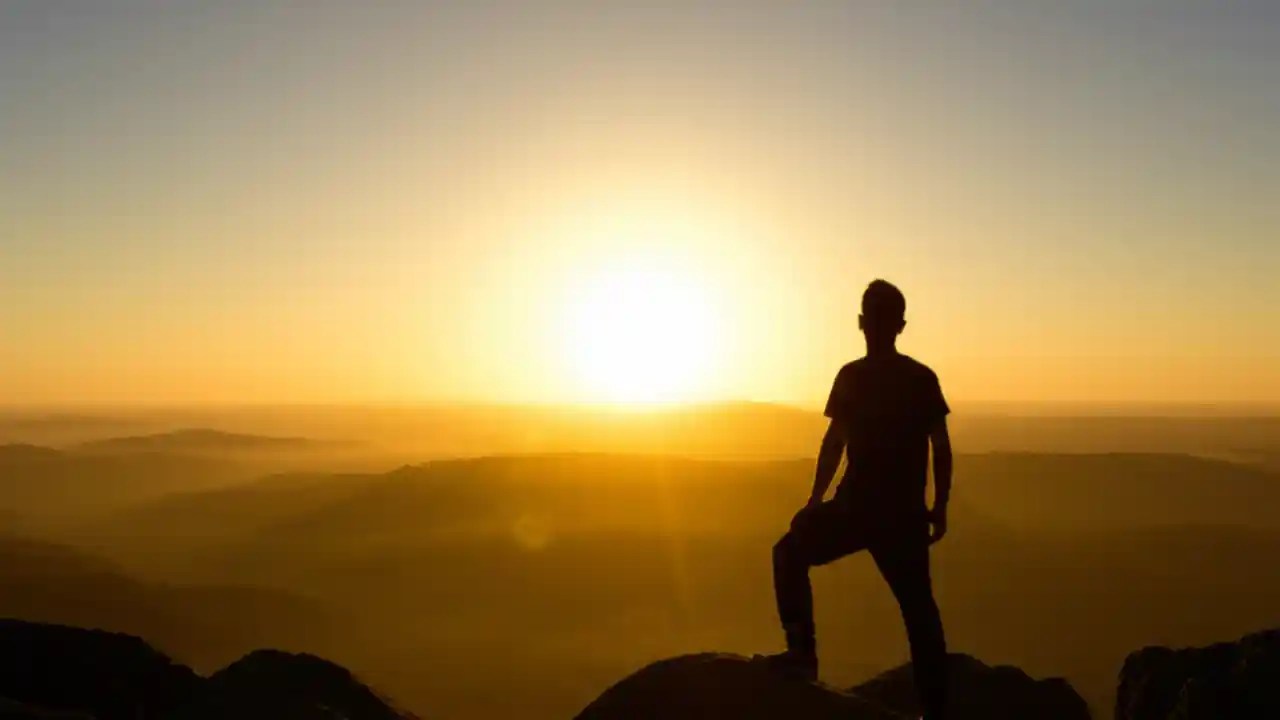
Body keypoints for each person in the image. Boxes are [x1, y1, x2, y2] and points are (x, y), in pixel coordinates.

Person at [761, 279, 952, 720]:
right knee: (919, 611)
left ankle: (802, 655)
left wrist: (815, 500)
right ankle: (936, 710)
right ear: (900, 325)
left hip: (855, 509)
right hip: (902, 515)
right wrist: (939, 505)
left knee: (789, 554)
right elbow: (940, 447)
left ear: (861, 323)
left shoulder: (852, 376)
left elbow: (835, 442)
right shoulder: (920, 378)